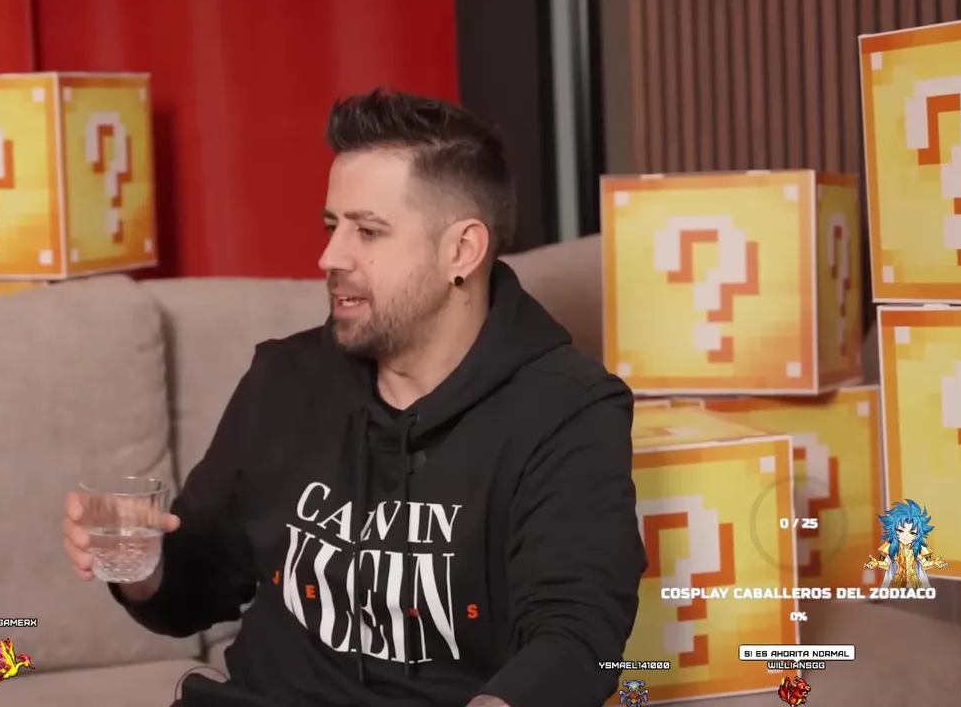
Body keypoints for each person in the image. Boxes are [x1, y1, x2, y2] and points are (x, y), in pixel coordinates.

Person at [62, 88, 647, 707]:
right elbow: (195, 592)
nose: (329, 256)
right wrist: (139, 563)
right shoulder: (285, 380)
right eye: (332, 225)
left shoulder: (567, 410)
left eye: (368, 231)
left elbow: (579, 634)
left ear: (461, 251)